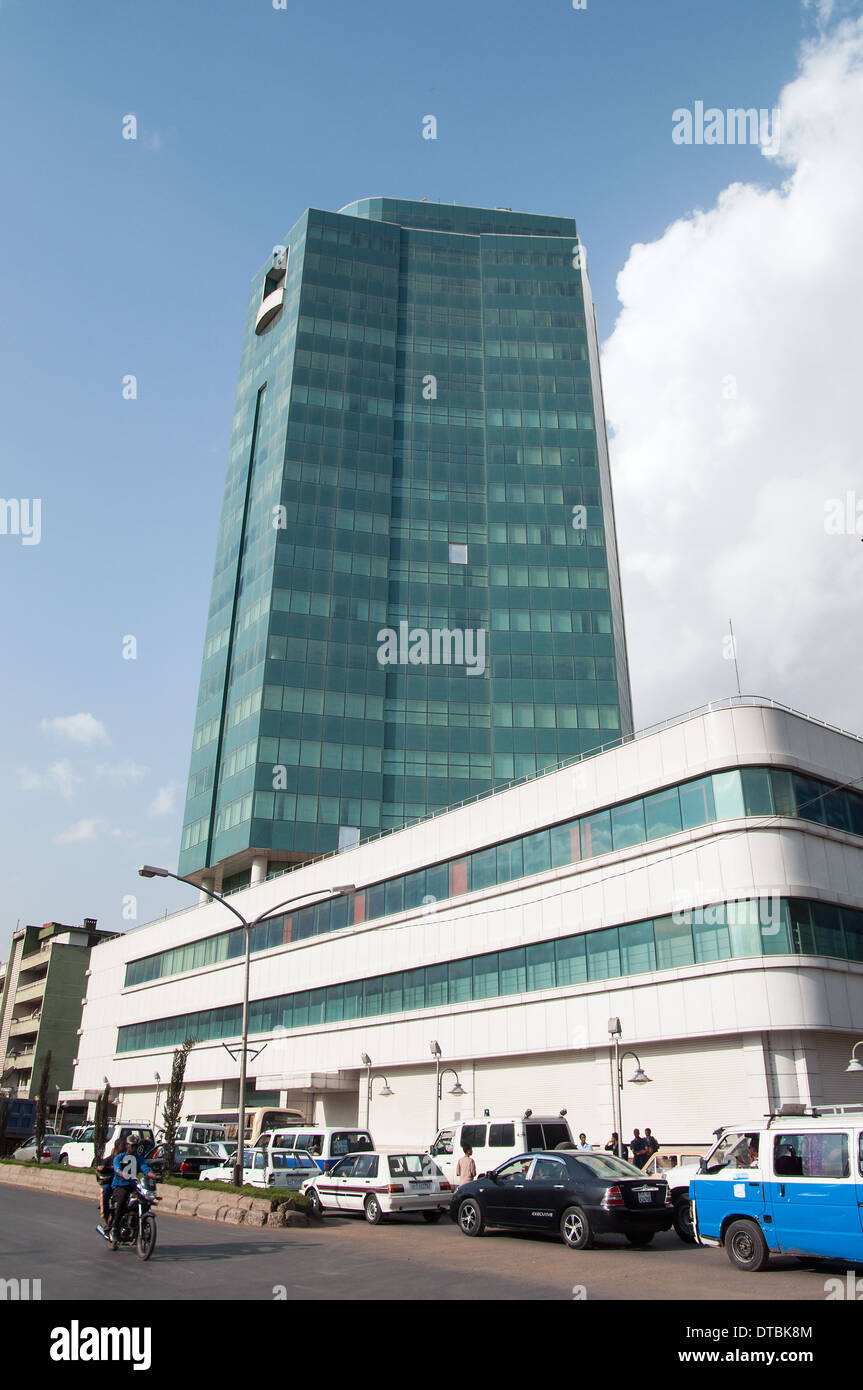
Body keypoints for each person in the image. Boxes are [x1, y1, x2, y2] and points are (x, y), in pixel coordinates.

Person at [104, 1134, 151, 1246]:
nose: (134, 1148)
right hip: (120, 1186)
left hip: (132, 1186)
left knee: (144, 1200)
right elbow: (117, 1169)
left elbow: (146, 1169)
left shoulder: (139, 1159)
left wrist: (154, 1176)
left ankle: (139, 1225)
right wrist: (123, 1174)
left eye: (136, 1146)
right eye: (132, 1146)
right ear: (127, 1145)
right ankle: (114, 1229)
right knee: (121, 1201)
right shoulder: (119, 1158)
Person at [96, 1137, 125, 1235]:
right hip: (110, 1185)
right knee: (105, 1190)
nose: (124, 1148)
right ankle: (106, 1220)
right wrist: (107, 1169)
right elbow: (99, 1171)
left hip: (123, 1185)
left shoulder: (128, 1160)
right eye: (122, 1146)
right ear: (117, 1147)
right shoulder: (109, 1160)